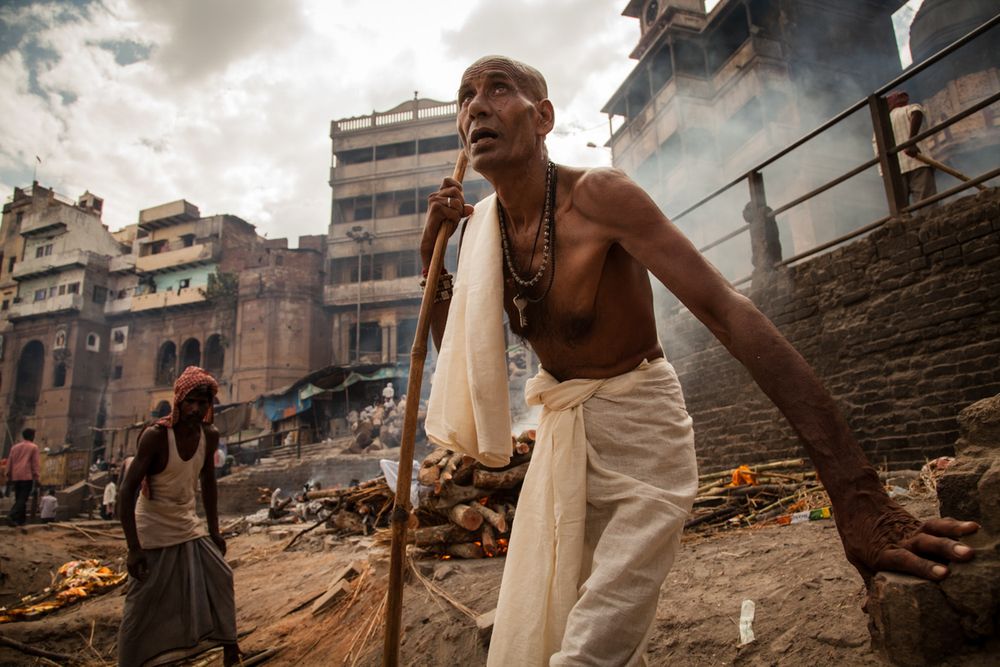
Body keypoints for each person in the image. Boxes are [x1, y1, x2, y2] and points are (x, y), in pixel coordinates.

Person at [421, 56, 979, 666]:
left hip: (643, 439)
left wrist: (856, 493)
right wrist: (434, 267)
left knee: (590, 646)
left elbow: (728, 312)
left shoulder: (599, 196)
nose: (476, 106)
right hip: (563, 445)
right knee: (549, 630)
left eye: (498, 89)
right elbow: (468, 369)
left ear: (544, 116)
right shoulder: (483, 234)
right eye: (466, 95)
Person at [117, 366, 239, 667]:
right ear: (179, 400)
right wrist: (133, 549)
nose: (196, 409)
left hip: (186, 521)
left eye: (203, 402)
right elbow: (126, 492)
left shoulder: (209, 435)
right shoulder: (156, 436)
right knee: (142, 602)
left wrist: (214, 530)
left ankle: (229, 649)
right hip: (153, 525)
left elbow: (209, 483)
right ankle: (130, 661)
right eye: (190, 402)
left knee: (221, 577)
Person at [876, 90, 937, 204]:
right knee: (926, 203)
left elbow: (879, 154)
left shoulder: (878, 128)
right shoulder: (907, 109)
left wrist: (886, 175)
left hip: (895, 171)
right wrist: (911, 142)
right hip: (917, 163)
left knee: (900, 209)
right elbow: (917, 112)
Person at [6, 429, 40, 527]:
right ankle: (11, 515)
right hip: (26, 476)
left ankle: (21, 520)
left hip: (16, 477)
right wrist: (37, 477)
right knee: (22, 499)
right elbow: (35, 464)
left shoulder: (15, 447)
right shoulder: (33, 447)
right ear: (31, 436)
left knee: (19, 499)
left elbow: (10, 462)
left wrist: (8, 475)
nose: (34, 437)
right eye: (33, 435)